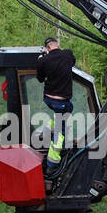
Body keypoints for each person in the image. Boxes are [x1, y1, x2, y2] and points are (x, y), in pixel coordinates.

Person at [36, 35, 75, 171]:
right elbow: (71, 62)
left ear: (47, 48)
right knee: (60, 132)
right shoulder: (68, 55)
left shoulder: (43, 60)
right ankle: (53, 162)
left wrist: (42, 61)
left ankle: (46, 129)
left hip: (49, 100)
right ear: (58, 44)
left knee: (66, 110)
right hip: (62, 101)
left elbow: (40, 79)